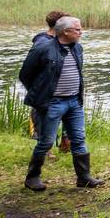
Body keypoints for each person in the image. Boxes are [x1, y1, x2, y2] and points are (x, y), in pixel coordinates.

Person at [19, 16, 104, 191]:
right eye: (78, 29)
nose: (81, 32)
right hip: (52, 103)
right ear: (65, 31)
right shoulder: (43, 48)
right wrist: (41, 94)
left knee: (79, 139)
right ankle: (32, 178)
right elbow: (25, 75)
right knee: (46, 141)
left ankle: (84, 177)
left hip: (74, 101)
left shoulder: (78, 48)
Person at [29, 10, 70, 151]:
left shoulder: (65, 41)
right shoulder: (42, 42)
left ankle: (65, 141)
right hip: (45, 90)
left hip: (63, 89)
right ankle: (45, 150)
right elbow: (30, 70)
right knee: (43, 119)